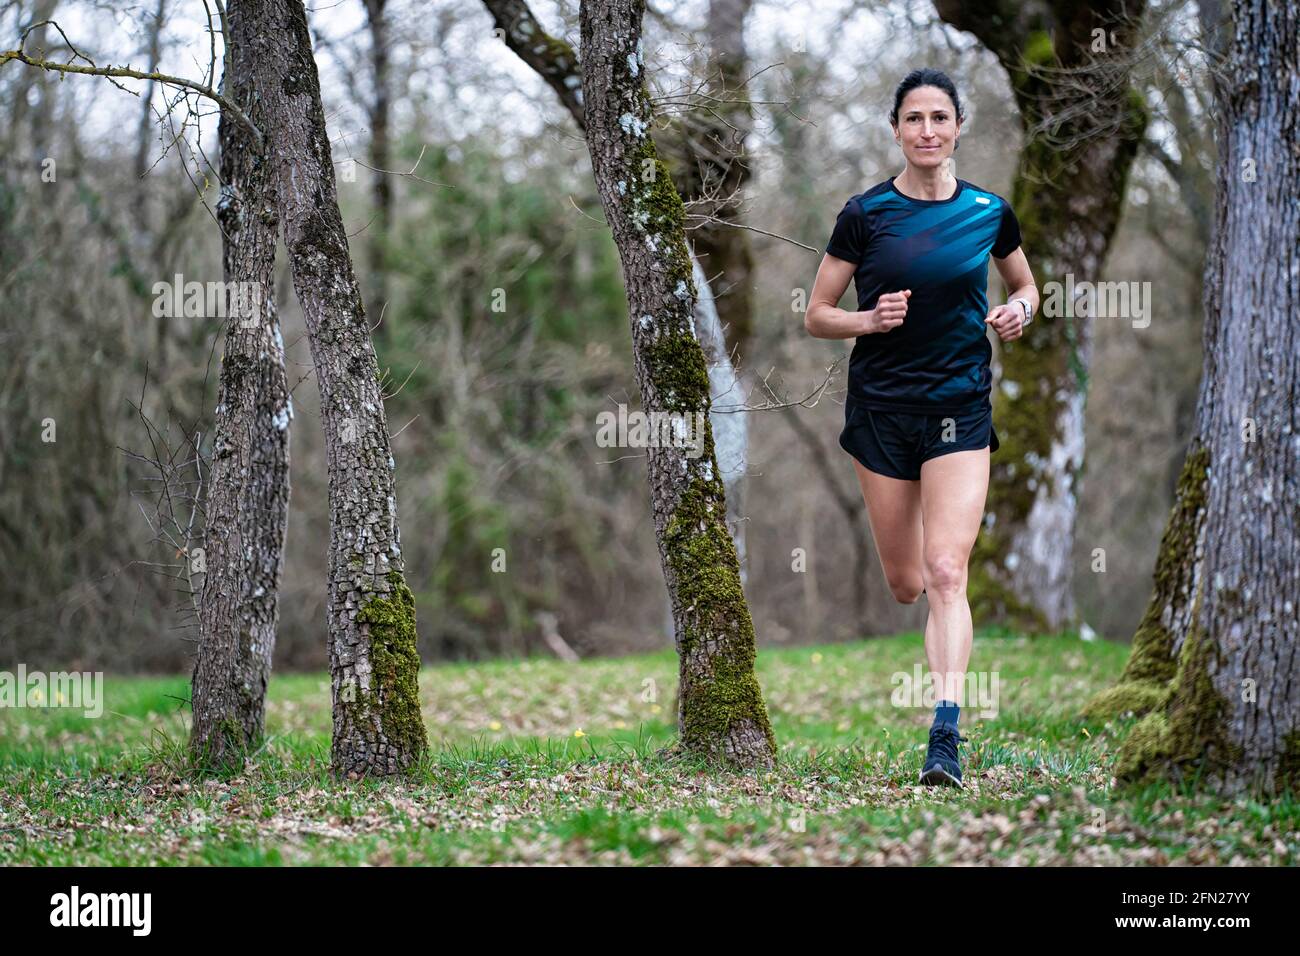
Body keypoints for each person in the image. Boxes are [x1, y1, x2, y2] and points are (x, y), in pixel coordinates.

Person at [805, 68, 1038, 787]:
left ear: (959, 126)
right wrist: (867, 319)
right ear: (897, 130)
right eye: (914, 119)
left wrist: (1020, 311)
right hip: (881, 411)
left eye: (940, 117)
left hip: (959, 409)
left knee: (946, 571)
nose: (928, 130)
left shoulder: (989, 212)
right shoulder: (866, 215)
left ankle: (945, 733)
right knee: (907, 582)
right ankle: (935, 683)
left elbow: (1026, 283)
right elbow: (815, 313)